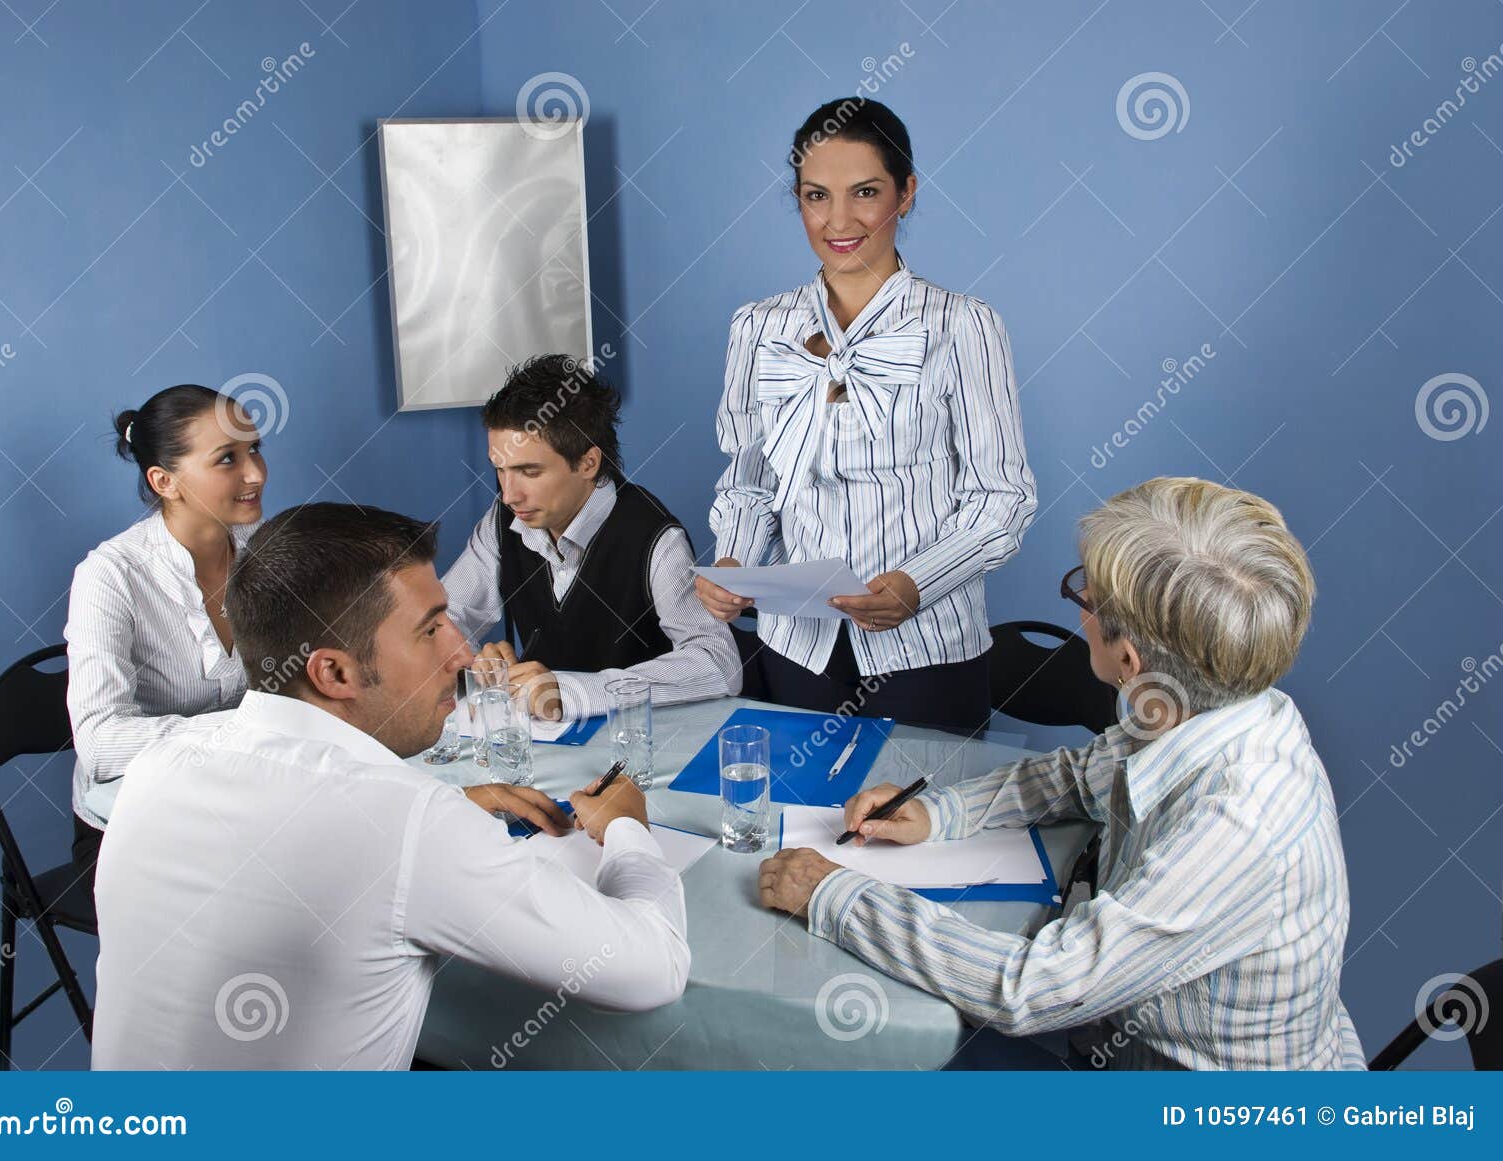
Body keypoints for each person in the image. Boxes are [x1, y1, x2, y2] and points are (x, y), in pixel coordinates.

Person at [759, 477, 1365, 1070]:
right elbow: (1078, 777)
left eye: (1085, 597)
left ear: (1127, 658)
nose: (1078, 609)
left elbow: (1035, 989)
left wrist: (832, 893)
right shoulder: (1198, 708)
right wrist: (940, 811)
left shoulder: (1241, 821)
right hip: (1124, 1044)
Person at [90, 503, 690, 1069]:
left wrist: (445, 816)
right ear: (334, 672)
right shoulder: (406, 821)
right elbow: (652, 968)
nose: (461, 651)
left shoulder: (159, 763)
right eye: (430, 630)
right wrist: (626, 829)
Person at [698, 97, 1035, 735]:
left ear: (905, 195)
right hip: (796, 648)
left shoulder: (963, 326)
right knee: (799, 830)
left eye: (866, 192)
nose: (839, 219)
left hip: (928, 651)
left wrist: (917, 583)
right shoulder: (758, 327)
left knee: (924, 828)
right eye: (816, 196)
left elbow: (1004, 498)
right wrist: (735, 563)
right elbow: (749, 481)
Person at [443, 354, 739, 720]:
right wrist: (473, 661)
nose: (509, 495)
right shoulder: (501, 522)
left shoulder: (655, 538)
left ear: (588, 463)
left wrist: (570, 692)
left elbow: (719, 663)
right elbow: (444, 618)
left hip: (644, 742)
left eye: (529, 472)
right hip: (550, 743)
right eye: (501, 470)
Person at [65, 385, 267, 881]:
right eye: (227, 459)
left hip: (247, 801)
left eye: (255, 450)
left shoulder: (268, 549)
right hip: (138, 824)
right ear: (164, 481)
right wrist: (249, 732)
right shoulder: (111, 576)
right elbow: (100, 741)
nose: (255, 474)